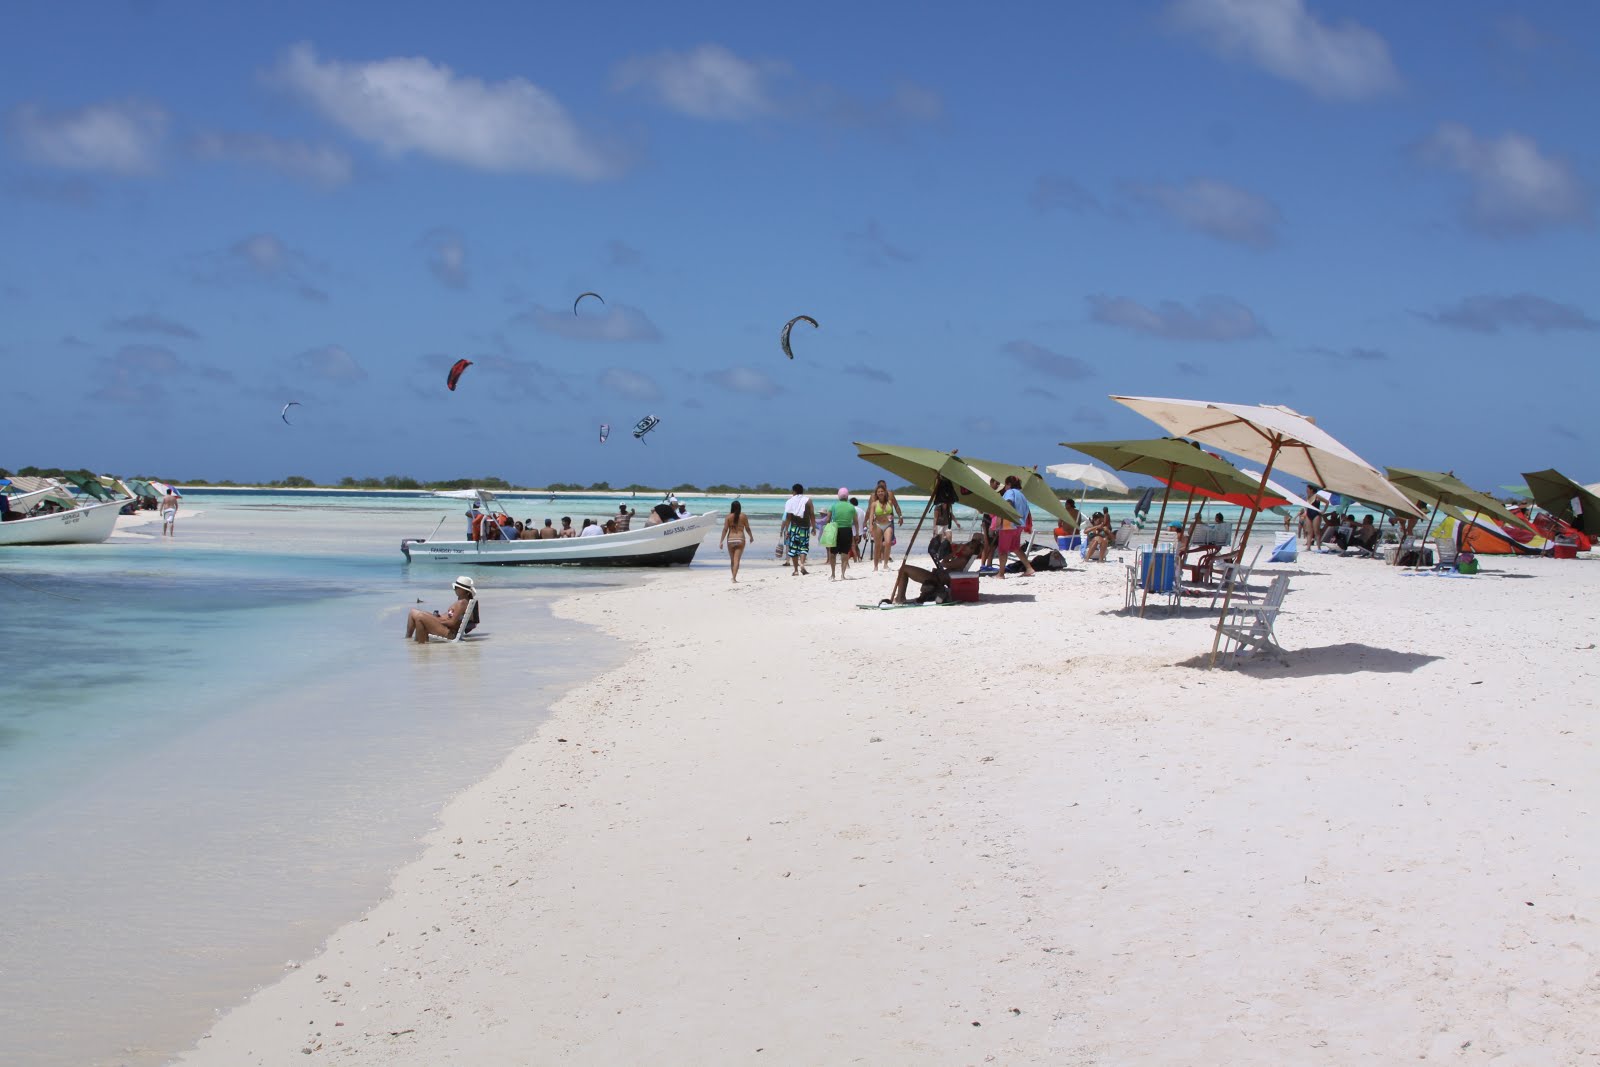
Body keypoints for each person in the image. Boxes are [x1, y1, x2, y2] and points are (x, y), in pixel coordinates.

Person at [885, 534, 985, 605]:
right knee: (904, 569)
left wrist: (954, 553)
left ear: (972, 553)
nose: (967, 548)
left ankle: (900, 597)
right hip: (937, 577)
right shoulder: (961, 558)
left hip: (935, 580)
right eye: (968, 545)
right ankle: (900, 597)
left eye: (971, 548)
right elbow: (944, 563)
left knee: (904, 569)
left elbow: (944, 563)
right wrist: (954, 553)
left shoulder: (962, 560)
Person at [405, 576, 475, 644]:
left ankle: (421, 645)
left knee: (420, 617)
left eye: (456, 588)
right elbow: (453, 618)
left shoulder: (462, 603)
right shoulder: (463, 601)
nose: (454, 589)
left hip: (450, 633)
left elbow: (452, 623)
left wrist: (438, 621)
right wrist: (438, 618)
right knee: (413, 612)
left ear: (463, 590)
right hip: (447, 628)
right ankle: (409, 640)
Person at [992, 475, 1036, 579]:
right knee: (1015, 547)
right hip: (1019, 524)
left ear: (1009, 484)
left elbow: (1008, 504)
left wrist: (1000, 520)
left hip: (1009, 524)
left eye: (1006, 485)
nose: (1005, 487)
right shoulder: (1021, 495)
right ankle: (1029, 568)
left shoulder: (1009, 492)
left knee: (1003, 550)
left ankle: (1001, 574)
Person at [779, 482, 813, 575]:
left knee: (793, 548)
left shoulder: (789, 501)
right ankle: (802, 564)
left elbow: (788, 517)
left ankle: (796, 570)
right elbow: (812, 515)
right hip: (805, 528)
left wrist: (786, 530)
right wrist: (813, 527)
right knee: (803, 547)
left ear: (794, 491)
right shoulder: (808, 501)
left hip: (794, 528)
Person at [826, 487, 857, 580]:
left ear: (839, 496)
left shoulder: (833, 506)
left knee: (833, 553)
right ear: (847, 497)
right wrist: (857, 532)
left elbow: (828, 519)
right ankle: (843, 575)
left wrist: (827, 530)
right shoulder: (852, 507)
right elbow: (855, 521)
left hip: (835, 530)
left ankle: (833, 574)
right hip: (847, 530)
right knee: (844, 552)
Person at [719, 500, 754, 582]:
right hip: (740, 539)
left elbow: (725, 529)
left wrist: (721, 541)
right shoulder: (743, 516)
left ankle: (733, 577)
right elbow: (747, 528)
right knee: (737, 560)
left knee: (732, 560)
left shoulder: (728, 517)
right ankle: (734, 578)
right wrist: (751, 537)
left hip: (730, 539)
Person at [866, 484, 897, 571]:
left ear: (885, 492)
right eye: (878, 492)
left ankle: (886, 564)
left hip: (888, 525)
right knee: (877, 546)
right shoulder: (874, 504)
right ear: (876, 493)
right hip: (878, 525)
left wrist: (892, 518)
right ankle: (875, 566)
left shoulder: (889, 503)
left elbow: (891, 514)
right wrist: (871, 525)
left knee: (888, 543)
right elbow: (871, 515)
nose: (880, 493)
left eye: (882, 491)